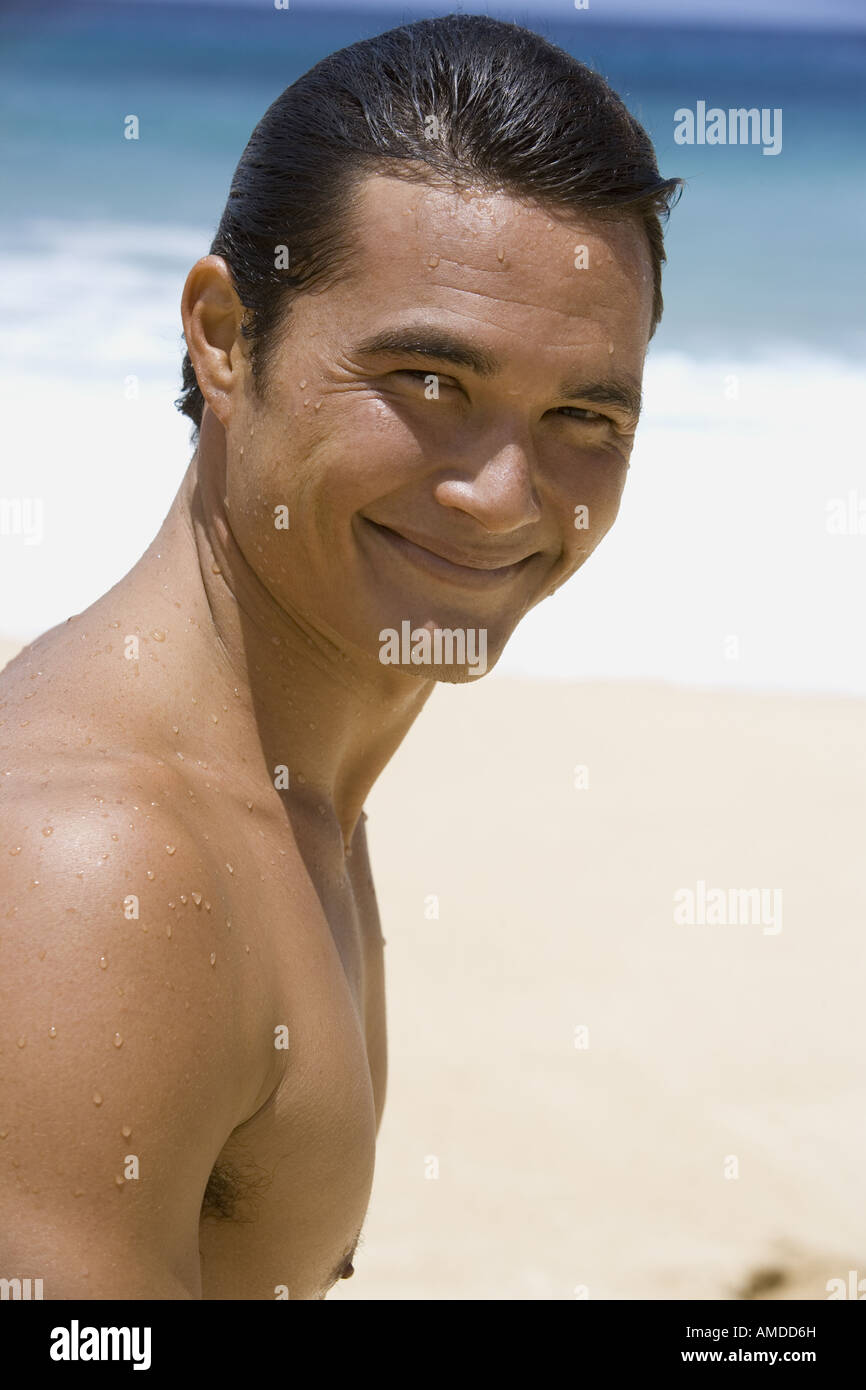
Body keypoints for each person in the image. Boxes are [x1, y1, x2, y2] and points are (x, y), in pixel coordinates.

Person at [0, 14, 679, 1299]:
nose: (499, 494)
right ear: (223, 333)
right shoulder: (94, 870)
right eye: (426, 380)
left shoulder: (285, 778)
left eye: (581, 414)